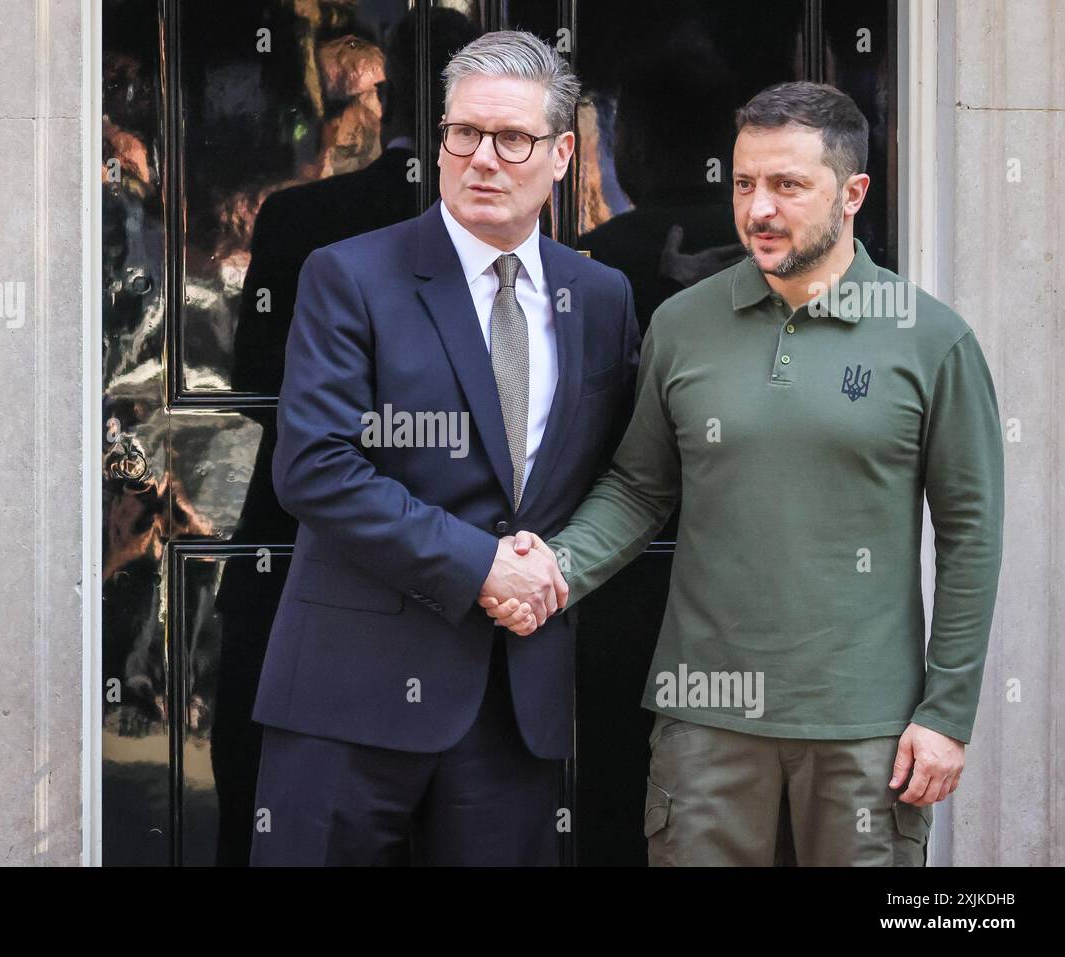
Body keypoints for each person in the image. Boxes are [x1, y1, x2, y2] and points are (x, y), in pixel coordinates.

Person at [484, 81, 1004, 866]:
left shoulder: (932, 339)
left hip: (868, 732)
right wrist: (553, 567)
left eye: (788, 185)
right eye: (745, 183)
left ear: (853, 192)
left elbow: (972, 534)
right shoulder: (682, 324)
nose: (759, 209)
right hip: (704, 727)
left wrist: (948, 711)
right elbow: (638, 488)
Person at [249, 30, 638, 866]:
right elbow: (315, 466)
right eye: (463, 133)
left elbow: (621, 472)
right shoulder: (349, 275)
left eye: (513, 140)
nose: (482, 158)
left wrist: (557, 567)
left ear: (563, 152)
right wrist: (483, 566)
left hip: (515, 705)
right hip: (348, 695)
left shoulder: (600, 297)